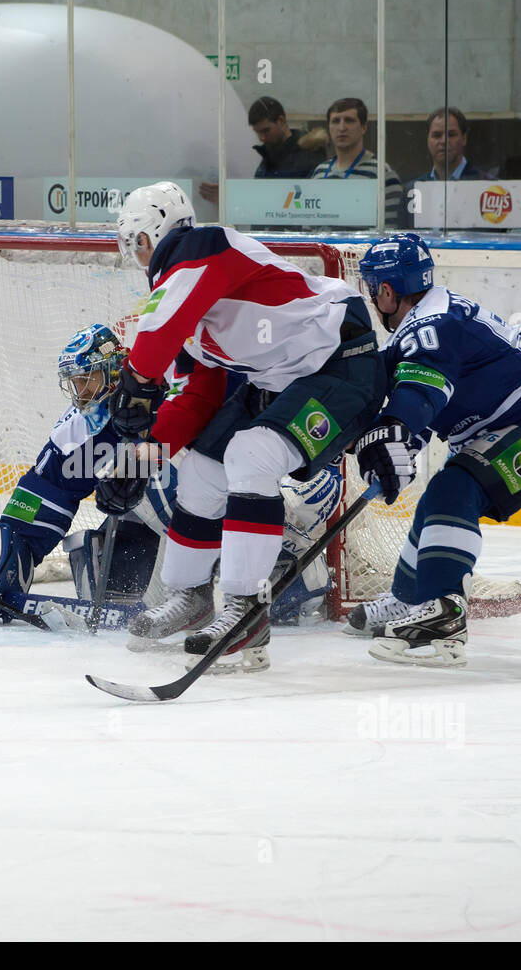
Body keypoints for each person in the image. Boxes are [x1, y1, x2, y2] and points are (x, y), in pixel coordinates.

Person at [108, 181, 386, 672]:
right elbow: (198, 396)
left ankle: (246, 609)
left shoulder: (202, 248)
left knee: (250, 455)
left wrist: (136, 377)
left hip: (343, 363)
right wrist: (145, 454)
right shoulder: (190, 298)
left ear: (149, 234)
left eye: (136, 243)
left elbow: (153, 340)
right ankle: (191, 595)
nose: (137, 256)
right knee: (200, 469)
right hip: (282, 380)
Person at [0, 323, 342, 627]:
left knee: (165, 481)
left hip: (280, 475)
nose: (82, 392)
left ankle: (288, 562)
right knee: (132, 509)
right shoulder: (81, 425)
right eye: (75, 383)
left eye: (88, 379)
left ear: (113, 370)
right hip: (192, 503)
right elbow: (48, 485)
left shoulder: (171, 384)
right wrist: (12, 548)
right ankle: (193, 586)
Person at [348, 233, 521, 666]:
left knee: (453, 490)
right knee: (437, 502)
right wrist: (392, 441)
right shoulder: (427, 321)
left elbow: (419, 397)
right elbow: (423, 397)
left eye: (374, 289)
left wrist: (396, 431)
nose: (373, 298)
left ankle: (443, 611)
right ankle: (411, 600)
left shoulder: (430, 326)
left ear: (387, 291)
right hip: (518, 423)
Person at [198, 96, 324, 205]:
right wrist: (230, 199)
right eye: (257, 132)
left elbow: (290, 199)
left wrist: (234, 198)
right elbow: (261, 199)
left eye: (266, 130)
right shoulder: (268, 156)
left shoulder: (307, 154)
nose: (261, 138)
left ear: (281, 120)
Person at [310, 97, 404, 225]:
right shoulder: (320, 171)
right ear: (329, 127)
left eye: (349, 120)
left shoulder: (382, 173)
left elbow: (390, 228)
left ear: (364, 127)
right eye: (335, 121)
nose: (342, 127)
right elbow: (309, 224)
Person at [411, 106, 485, 185]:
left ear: (464, 139)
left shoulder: (486, 185)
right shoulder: (414, 189)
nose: (444, 141)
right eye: (436, 135)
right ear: (427, 140)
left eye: (451, 134)